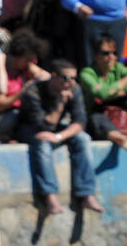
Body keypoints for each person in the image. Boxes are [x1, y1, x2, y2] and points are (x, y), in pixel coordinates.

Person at [18, 59, 105, 214]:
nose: (71, 82)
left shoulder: (74, 88)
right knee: (43, 144)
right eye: (66, 78)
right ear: (53, 76)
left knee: (83, 139)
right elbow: (44, 126)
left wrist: (59, 137)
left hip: (55, 128)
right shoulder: (33, 91)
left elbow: (80, 122)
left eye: (74, 78)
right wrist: (60, 103)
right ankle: (49, 196)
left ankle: (86, 194)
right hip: (29, 127)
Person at [78, 34, 127, 147]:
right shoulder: (87, 73)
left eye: (114, 53)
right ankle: (117, 136)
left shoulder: (118, 68)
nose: (111, 56)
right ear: (96, 56)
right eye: (106, 53)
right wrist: (123, 81)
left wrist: (121, 91)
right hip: (94, 110)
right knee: (96, 117)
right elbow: (102, 94)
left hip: (117, 105)